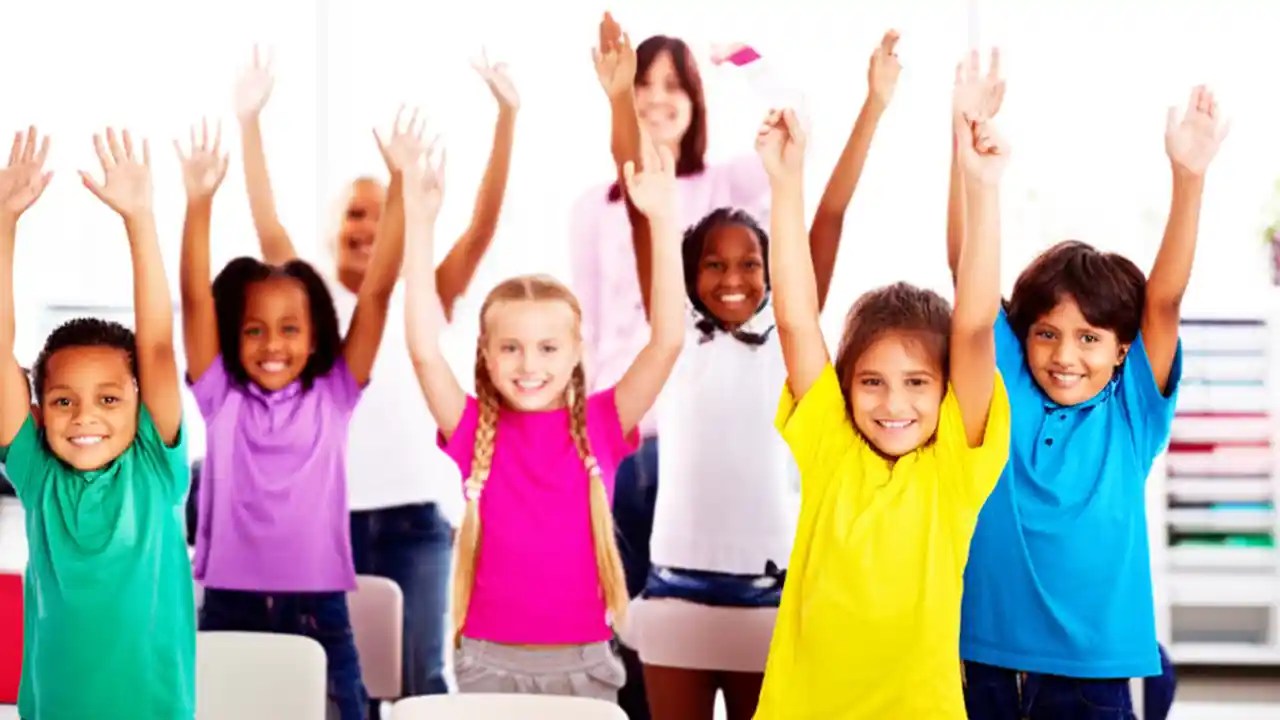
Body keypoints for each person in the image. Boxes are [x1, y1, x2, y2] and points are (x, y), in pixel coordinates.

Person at [624, 30, 903, 720]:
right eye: (713, 264)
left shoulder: (792, 334)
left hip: (772, 595)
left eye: (751, 262)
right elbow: (645, 216)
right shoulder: (673, 339)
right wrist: (615, 102)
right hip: (676, 597)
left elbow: (829, 214)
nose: (733, 278)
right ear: (687, 276)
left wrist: (873, 104)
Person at [234, 45, 518, 699]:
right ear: (334, 225)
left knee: (420, 678)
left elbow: (479, 228)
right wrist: (248, 123)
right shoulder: (305, 299)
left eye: (379, 210)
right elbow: (266, 219)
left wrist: (506, 118)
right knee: (329, 684)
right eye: (354, 212)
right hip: (322, 522)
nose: (366, 225)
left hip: (415, 523)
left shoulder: (425, 293)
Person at [956, 84, 1228, 718]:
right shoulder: (1009, 389)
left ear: (1122, 349)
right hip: (983, 665)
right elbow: (967, 285)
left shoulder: (1131, 413)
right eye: (1045, 333)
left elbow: (1162, 302)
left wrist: (1188, 177)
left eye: (1088, 338)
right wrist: (976, 172)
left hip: (1091, 680)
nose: (1063, 355)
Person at [754, 48, 1011, 717]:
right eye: (871, 381)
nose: (893, 403)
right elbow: (794, 319)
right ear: (844, 388)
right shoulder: (830, 450)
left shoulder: (955, 471)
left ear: (947, 390)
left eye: (917, 383)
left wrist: (982, 190)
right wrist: (786, 187)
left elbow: (978, 327)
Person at [402, 127, 682, 700]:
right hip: (485, 664)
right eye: (511, 348)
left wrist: (661, 218)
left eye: (548, 348)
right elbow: (424, 349)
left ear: (577, 351)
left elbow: (668, 342)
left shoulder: (604, 423)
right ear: (486, 352)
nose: (529, 365)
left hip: (586, 667)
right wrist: (420, 225)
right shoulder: (473, 427)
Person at [181, 111, 408, 719]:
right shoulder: (219, 396)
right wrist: (199, 201)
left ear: (316, 339)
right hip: (230, 602)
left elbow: (379, 293)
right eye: (254, 330)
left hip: (319, 604)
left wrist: (402, 184)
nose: (271, 344)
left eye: (288, 329)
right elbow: (194, 302)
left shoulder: (334, 393)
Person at [0, 126, 194, 719]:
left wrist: (139, 218)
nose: (85, 415)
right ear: (38, 411)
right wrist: (3, 223)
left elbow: (157, 346)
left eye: (109, 399)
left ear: (139, 408)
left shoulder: (155, 468)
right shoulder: (37, 474)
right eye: (63, 401)